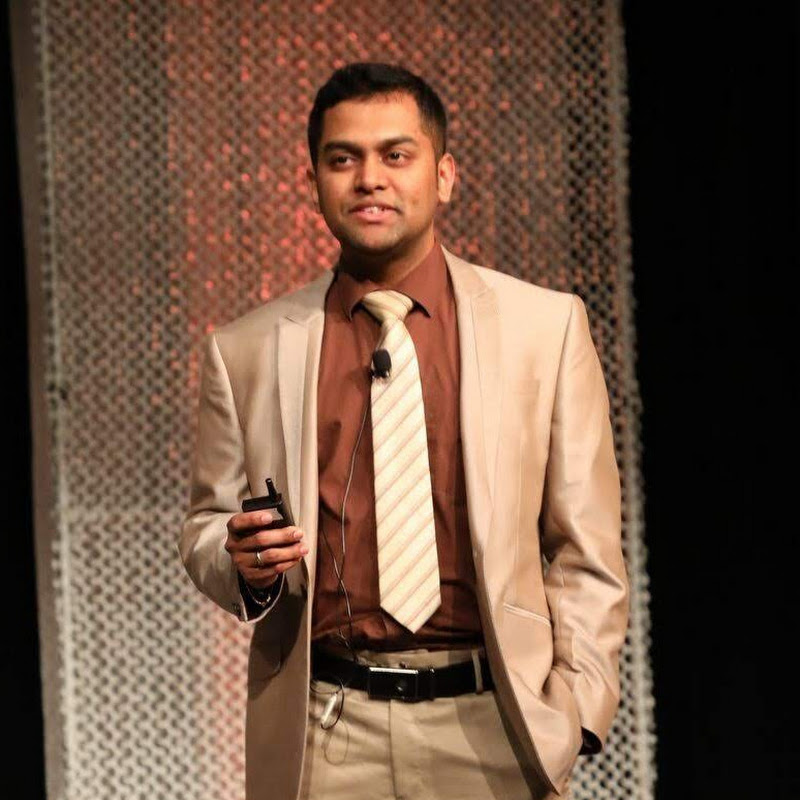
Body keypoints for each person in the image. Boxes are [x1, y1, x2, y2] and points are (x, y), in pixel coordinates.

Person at [179, 62, 629, 800]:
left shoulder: (544, 327)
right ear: (313, 182)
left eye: (396, 154)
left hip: (497, 724)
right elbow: (207, 525)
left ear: (443, 175)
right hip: (328, 732)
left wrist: (574, 714)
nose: (370, 179)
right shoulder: (247, 349)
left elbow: (587, 548)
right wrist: (242, 562)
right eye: (343, 159)